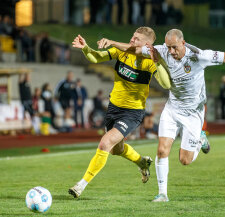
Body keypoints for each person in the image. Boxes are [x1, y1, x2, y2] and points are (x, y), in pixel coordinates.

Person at [107, 28, 225, 202]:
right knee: (161, 150)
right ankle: (162, 194)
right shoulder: (161, 51)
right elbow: (133, 49)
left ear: (183, 43)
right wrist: (113, 43)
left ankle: (199, 140)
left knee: (185, 160)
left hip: (193, 112)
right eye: (169, 47)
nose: (171, 52)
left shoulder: (200, 56)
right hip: (172, 108)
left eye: (174, 47)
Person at [68, 27, 171, 198]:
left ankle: (81, 185)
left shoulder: (148, 62)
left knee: (105, 143)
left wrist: (158, 62)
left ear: (146, 44)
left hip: (132, 112)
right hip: (113, 108)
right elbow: (95, 56)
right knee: (117, 150)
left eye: (136, 39)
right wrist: (86, 48)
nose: (132, 40)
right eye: (132, 36)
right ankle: (142, 162)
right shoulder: (121, 52)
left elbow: (166, 84)